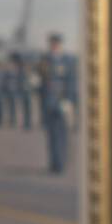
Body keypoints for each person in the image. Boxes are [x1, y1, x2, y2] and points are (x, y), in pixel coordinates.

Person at [39, 32, 77, 174]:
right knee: (51, 135)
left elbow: (71, 81)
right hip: (49, 101)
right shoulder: (45, 60)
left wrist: (69, 100)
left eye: (56, 44)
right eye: (52, 44)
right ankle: (53, 163)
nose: (54, 46)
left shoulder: (67, 61)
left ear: (60, 45)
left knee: (62, 134)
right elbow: (41, 81)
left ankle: (61, 164)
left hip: (62, 101)